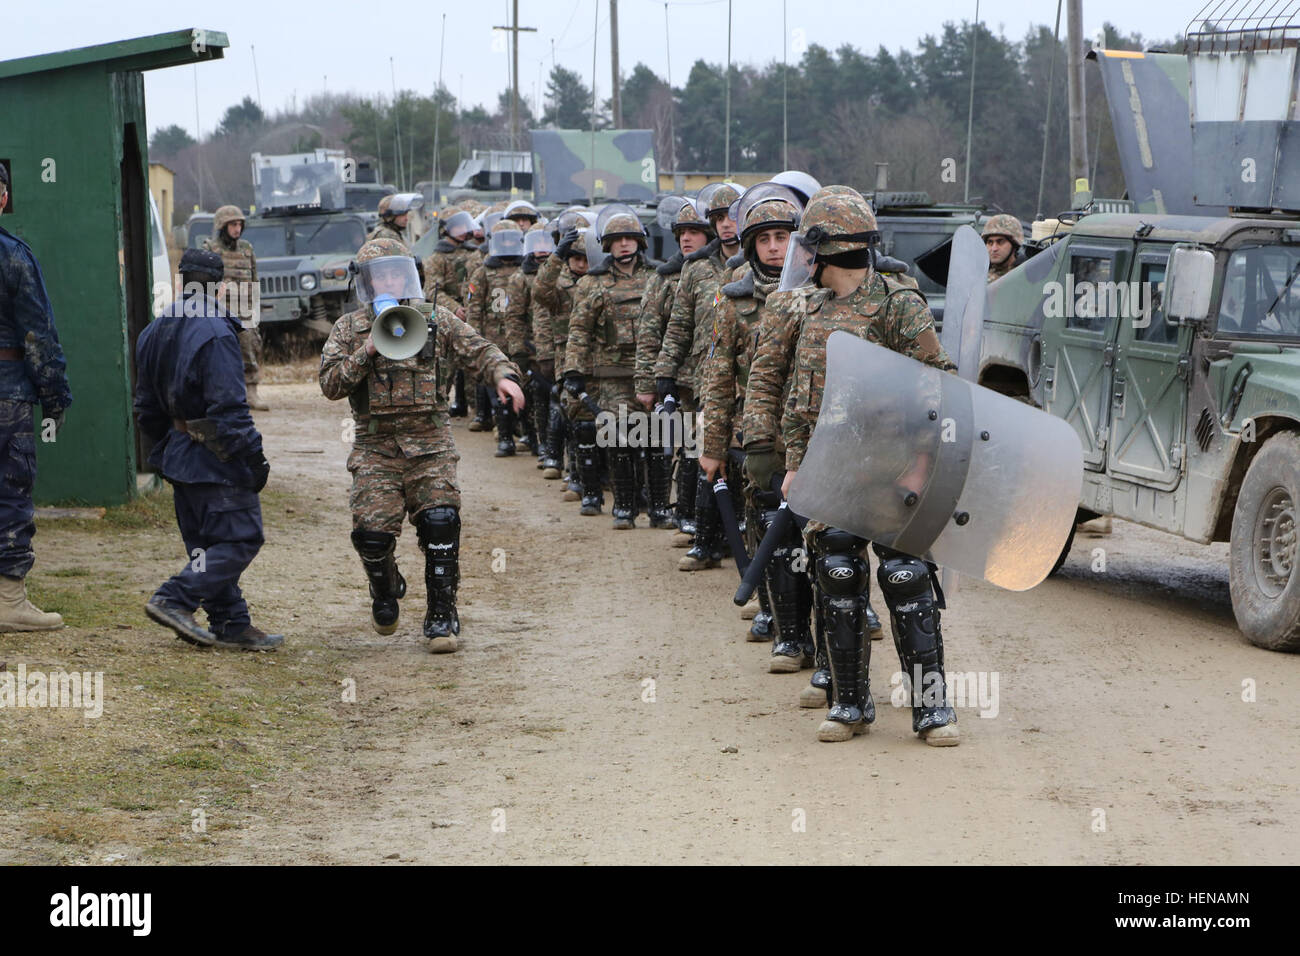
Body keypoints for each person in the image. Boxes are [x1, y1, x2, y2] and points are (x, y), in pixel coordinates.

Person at [745, 186, 960, 746]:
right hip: (830, 473)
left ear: (828, 250)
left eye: (807, 249)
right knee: (837, 579)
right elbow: (800, 399)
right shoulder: (811, 311)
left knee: (906, 580)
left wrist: (919, 469)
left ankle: (932, 710)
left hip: (892, 474)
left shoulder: (898, 307)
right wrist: (794, 466)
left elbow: (940, 391)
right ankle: (849, 704)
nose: (801, 261)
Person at [320, 238, 523, 653]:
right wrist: (368, 349)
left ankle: (441, 617)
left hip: (430, 442)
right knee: (372, 536)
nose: (390, 281)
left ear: (410, 274)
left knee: (441, 522)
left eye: (397, 272)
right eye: (380, 276)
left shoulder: (436, 320)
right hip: (376, 445)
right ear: (366, 283)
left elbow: (480, 350)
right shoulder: (349, 328)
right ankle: (385, 585)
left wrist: (503, 376)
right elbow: (330, 385)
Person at [135, 249, 280, 651]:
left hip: (181, 454)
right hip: (216, 455)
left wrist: (163, 453)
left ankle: (230, 622)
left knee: (207, 545)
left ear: (182, 280)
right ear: (220, 285)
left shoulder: (155, 328)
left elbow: (145, 408)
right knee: (240, 539)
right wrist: (253, 460)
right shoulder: (217, 331)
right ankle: (174, 599)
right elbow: (230, 410)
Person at [698, 191, 806, 665]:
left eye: (783, 237)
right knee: (769, 526)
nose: (775, 248)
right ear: (750, 245)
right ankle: (786, 629)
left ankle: (846, 614)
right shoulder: (733, 299)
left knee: (826, 532)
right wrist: (713, 445)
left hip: (813, 429)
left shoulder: (817, 293)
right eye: (764, 239)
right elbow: (718, 375)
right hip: (759, 432)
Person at [654, 182, 742, 570]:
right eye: (719, 218)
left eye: (732, 217)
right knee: (710, 453)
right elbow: (678, 327)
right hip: (710, 379)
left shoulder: (764, 264)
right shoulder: (697, 269)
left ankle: (739, 539)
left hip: (755, 379)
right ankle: (706, 542)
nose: (726, 225)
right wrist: (665, 376)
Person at [0, 162, 72, 632]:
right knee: (9, 490)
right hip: (7, 394)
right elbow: (38, 335)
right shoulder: (14, 256)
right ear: (4, 199)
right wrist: (55, 395)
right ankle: (8, 601)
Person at [563, 209, 655, 527]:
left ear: (640, 242)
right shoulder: (592, 283)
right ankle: (624, 507)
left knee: (656, 439)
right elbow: (578, 330)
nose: (625, 245)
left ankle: (656, 505)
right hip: (613, 374)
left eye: (630, 238)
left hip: (651, 372)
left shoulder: (657, 277)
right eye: (617, 240)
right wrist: (573, 371)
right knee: (619, 440)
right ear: (608, 246)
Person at [636, 198, 713, 534]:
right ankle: (677, 512)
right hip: (678, 379)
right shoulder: (663, 278)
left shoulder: (722, 271)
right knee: (681, 446)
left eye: (695, 232)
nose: (686, 238)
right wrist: (647, 382)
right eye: (682, 232)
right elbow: (649, 333)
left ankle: (701, 518)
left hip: (711, 375)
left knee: (704, 448)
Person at [535, 221, 592, 496]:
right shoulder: (559, 285)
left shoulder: (600, 282)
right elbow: (540, 290)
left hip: (600, 358)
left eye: (586, 258)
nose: (581, 264)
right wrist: (556, 255)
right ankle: (576, 475)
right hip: (568, 358)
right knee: (573, 416)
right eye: (576, 259)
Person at [465, 222, 529, 456]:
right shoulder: (483, 272)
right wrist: (475, 339)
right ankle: (505, 437)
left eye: (513, 239)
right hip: (494, 340)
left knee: (525, 387)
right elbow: (474, 308)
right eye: (504, 239)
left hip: (520, 340)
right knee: (499, 390)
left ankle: (526, 433)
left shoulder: (524, 271)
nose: (509, 244)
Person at [202, 205, 267, 411]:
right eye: (233, 224)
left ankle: (251, 392)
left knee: (249, 350)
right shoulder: (210, 250)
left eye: (239, 224)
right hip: (219, 311)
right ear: (222, 226)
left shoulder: (247, 250)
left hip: (244, 311)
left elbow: (254, 280)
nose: (237, 229)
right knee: (217, 354)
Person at [421, 208, 476, 417]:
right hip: (448, 316)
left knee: (473, 365)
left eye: (465, 226)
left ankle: (479, 412)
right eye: (458, 227)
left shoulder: (473, 254)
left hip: (471, 313)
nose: (463, 231)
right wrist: (455, 308)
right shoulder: (437, 258)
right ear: (446, 230)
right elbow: (433, 291)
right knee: (445, 366)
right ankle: (436, 410)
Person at [983, 214, 1024, 282]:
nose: (994, 249)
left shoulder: (1022, 276)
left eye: (1000, 242)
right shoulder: (980, 275)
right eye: (990, 242)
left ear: (1014, 244)